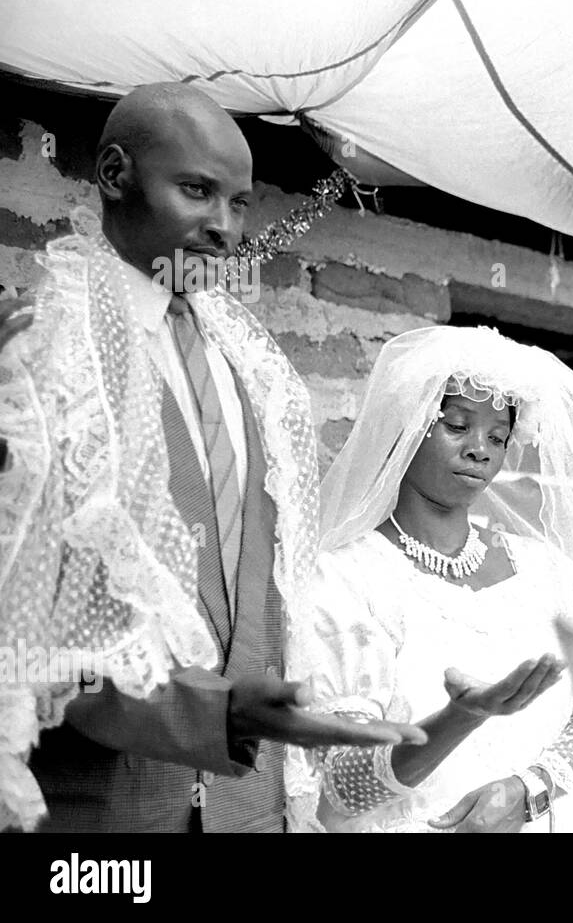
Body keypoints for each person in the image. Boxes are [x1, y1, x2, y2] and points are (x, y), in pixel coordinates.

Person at [0, 83, 420, 833]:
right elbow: (28, 624)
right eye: (197, 190)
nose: (225, 228)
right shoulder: (44, 354)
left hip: (248, 808)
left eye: (241, 202)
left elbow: (261, 585)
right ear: (115, 174)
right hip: (104, 815)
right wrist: (215, 713)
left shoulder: (251, 368)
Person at [284, 326, 573, 832]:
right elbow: (343, 788)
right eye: (457, 426)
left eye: (496, 436)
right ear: (406, 427)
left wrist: (530, 789)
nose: (479, 450)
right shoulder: (345, 579)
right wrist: (461, 718)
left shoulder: (545, 574)